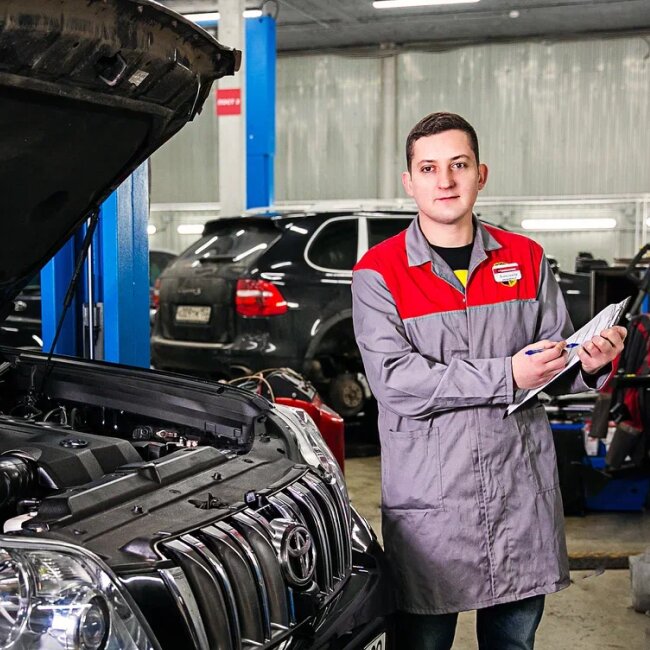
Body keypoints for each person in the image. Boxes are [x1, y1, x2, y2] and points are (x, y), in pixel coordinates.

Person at [351, 112, 626, 649]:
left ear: (481, 174)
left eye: (458, 165)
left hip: (517, 493)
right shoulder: (379, 273)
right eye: (428, 168)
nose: (445, 180)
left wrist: (589, 364)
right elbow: (395, 381)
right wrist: (507, 374)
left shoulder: (526, 258)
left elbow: (555, 363)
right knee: (423, 643)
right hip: (433, 500)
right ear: (409, 182)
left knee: (513, 644)